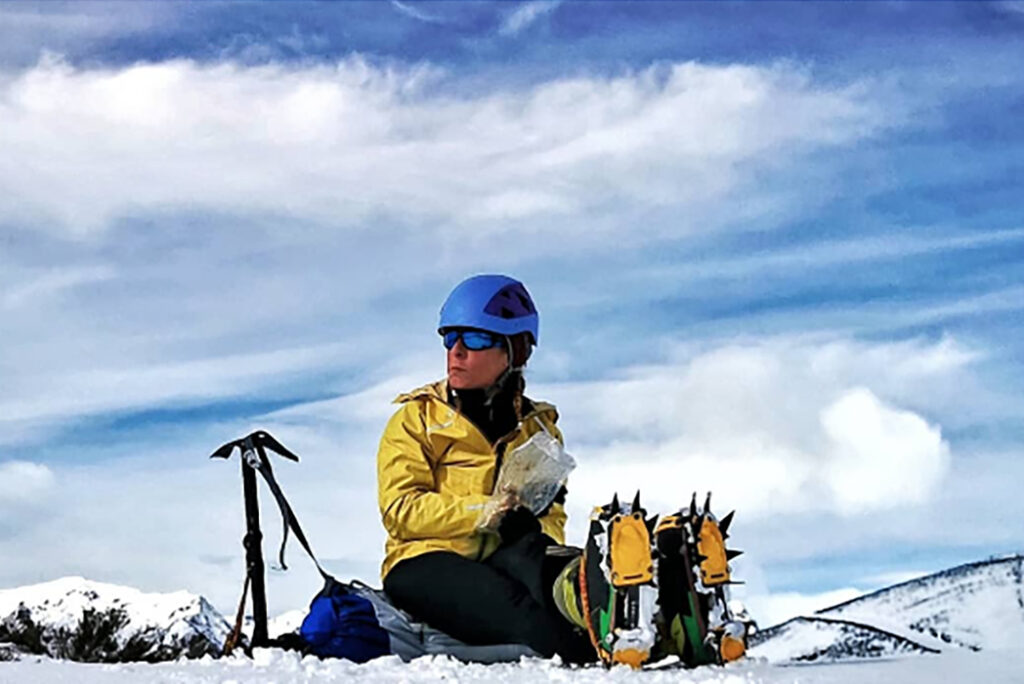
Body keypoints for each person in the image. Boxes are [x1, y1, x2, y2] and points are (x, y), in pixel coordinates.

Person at [376, 274, 595, 664]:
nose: (456, 351)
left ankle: (651, 607)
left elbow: (552, 516)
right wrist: (486, 513)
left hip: (504, 557)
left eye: (475, 339)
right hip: (423, 560)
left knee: (572, 578)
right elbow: (400, 511)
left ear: (516, 352)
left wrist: (532, 530)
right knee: (535, 622)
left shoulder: (538, 429)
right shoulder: (417, 418)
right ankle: (590, 643)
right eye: (450, 338)